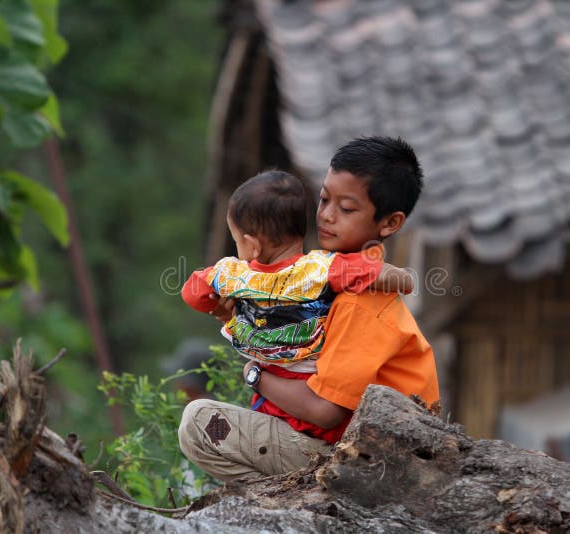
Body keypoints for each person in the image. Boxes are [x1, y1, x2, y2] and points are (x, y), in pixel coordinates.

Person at [178, 137, 439, 481]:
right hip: (345, 447)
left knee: (198, 422)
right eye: (324, 199)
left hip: (370, 465)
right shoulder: (321, 276)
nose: (326, 216)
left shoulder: (361, 301)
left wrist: (254, 374)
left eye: (346, 209)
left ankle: (275, 501)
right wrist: (234, 317)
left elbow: (323, 411)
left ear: (389, 223)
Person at [181, 169, 413, 375]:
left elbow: (192, 292)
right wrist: (405, 280)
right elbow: (379, 273)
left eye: (236, 241)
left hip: (261, 361)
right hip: (307, 369)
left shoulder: (233, 275)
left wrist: (220, 304)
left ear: (252, 245)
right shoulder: (321, 268)